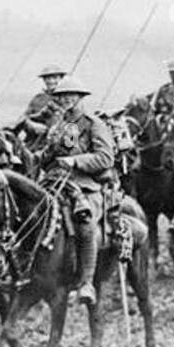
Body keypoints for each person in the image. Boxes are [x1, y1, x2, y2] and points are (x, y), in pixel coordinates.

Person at [37, 77, 114, 306]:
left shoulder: (93, 124)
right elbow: (47, 160)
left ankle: (86, 283)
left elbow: (105, 157)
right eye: (61, 96)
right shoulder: (60, 126)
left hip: (86, 185)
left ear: (80, 97)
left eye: (71, 95)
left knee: (85, 224)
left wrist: (75, 161)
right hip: (55, 182)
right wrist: (50, 148)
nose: (65, 99)